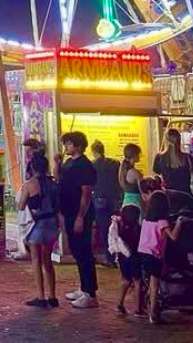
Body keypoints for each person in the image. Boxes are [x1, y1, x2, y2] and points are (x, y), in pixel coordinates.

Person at [59, 130, 98, 308]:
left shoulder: (85, 166)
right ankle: (83, 288)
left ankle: (90, 293)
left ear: (78, 146)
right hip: (68, 212)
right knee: (76, 250)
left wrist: (80, 217)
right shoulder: (68, 163)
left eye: (69, 143)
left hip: (79, 213)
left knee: (83, 251)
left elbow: (86, 193)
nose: (66, 146)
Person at [138, 190, 190, 325]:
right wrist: (179, 222)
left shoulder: (146, 220)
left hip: (143, 253)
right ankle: (154, 314)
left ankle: (149, 307)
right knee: (155, 284)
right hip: (154, 255)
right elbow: (173, 236)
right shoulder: (162, 222)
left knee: (149, 282)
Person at [18, 153, 60, 308]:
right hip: (51, 224)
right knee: (48, 261)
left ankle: (41, 296)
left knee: (36, 261)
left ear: (33, 167)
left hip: (37, 225)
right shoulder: (53, 183)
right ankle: (53, 296)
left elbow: (21, 205)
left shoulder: (30, 184)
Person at [109, 201, 143, 317]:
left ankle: (120, 303)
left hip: (123, 258)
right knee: (137, 282)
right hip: (135, 258)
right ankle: (138, 309)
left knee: (125, 281)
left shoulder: (120, 229)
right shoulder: (137, 229)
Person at [91, 141, 121, 267]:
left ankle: (108, 257)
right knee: (115, 227)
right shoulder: (115, 163)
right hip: (114, 198)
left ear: (94, 152)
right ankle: (118, 255)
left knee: (104, 229)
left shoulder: (92, 165)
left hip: (100, 199)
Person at [153, 127, 192, 195]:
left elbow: (156, 175)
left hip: (168, 195)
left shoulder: (159, 157)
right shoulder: (187, 157)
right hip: (186, 195)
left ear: (166, 141)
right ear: (179, 140)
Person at [118, 143, 143, 212]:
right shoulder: (135, 173)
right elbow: (143, 191)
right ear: (134, 155)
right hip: (136, 204)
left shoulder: (122, 169)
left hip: (126, 203)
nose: (140, 155)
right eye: (138, 153)